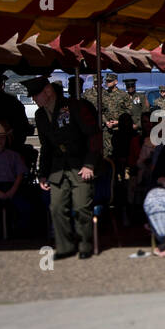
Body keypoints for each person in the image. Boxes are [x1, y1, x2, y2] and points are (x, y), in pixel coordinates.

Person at [25, 76, 100, 259]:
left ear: (48, 91)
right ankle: (65, 246)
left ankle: (85, 245)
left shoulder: (74, 106)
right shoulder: (40, 115)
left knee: (82, 207)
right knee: (56, 208)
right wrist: (43, 174)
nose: (34, 99)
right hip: (58, 168)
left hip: (80, 165)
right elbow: (46, 147)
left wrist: (89, 164)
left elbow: (93, 136)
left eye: (36, 95)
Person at [0, 118, 32, 237]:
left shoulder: (14, 156)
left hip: (12, 186)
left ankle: (20, 235)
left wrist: (12, 191)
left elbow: (20, 175)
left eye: (2, 138)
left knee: (26, 207)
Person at [97, 72, 132, 157]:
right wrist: (106, 122)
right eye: (107, 81)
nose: (107, 83)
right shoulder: (103, 95)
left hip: (120, 129)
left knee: (120, 152)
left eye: (110, 81)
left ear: (116, 82)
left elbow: (129, 110)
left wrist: (118, 122)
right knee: (106, 153)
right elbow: (100, 111)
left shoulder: (123, 95)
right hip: (107, 130)